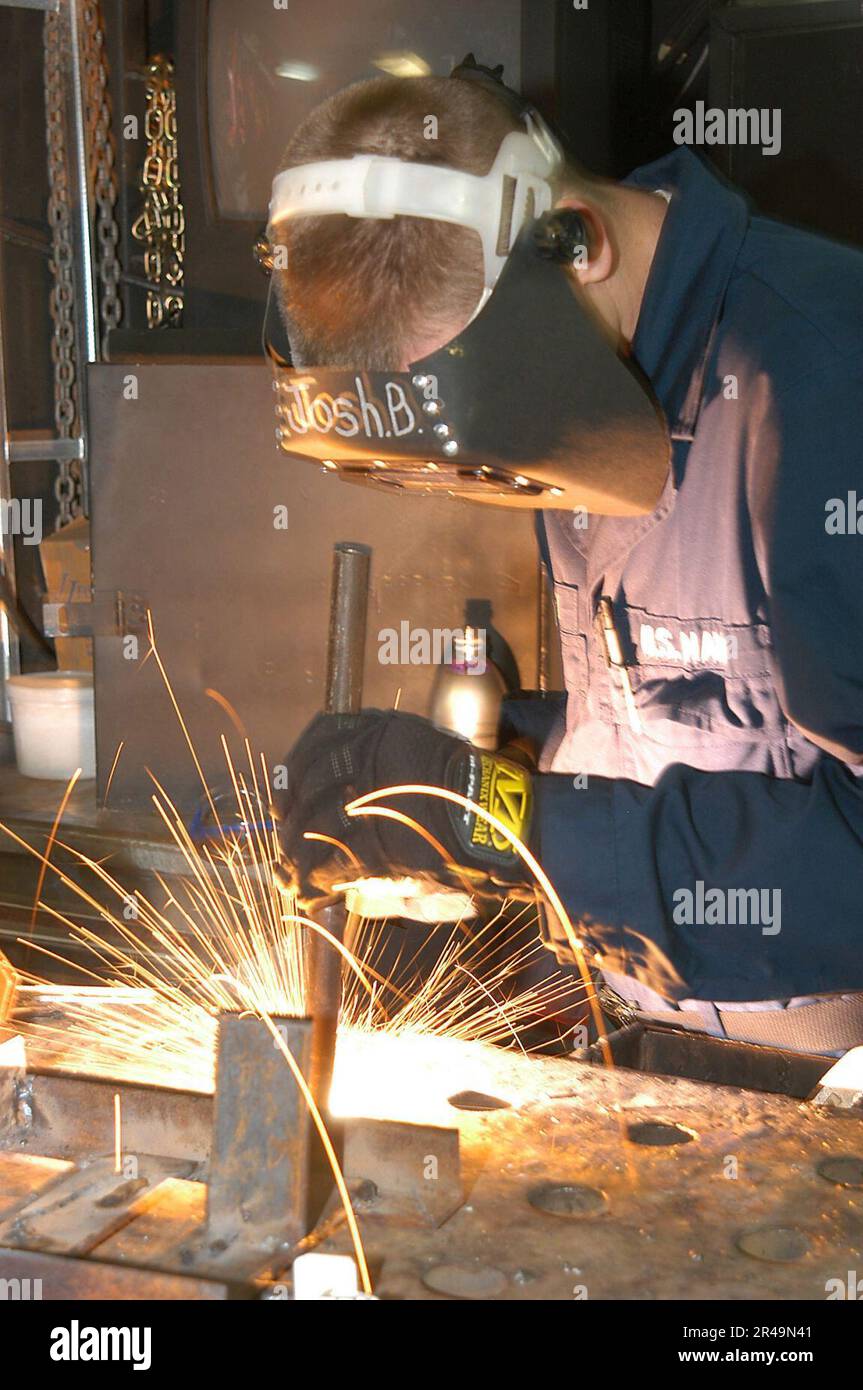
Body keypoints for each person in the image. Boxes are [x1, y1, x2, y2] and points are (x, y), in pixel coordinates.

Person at [272, 63, 863, 1057]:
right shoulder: (585, 374)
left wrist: (500, 830)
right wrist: (466, 778)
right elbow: (683, 724)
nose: (498, 481)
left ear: (575, 243)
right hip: (664, 1054)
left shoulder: (822, 378)